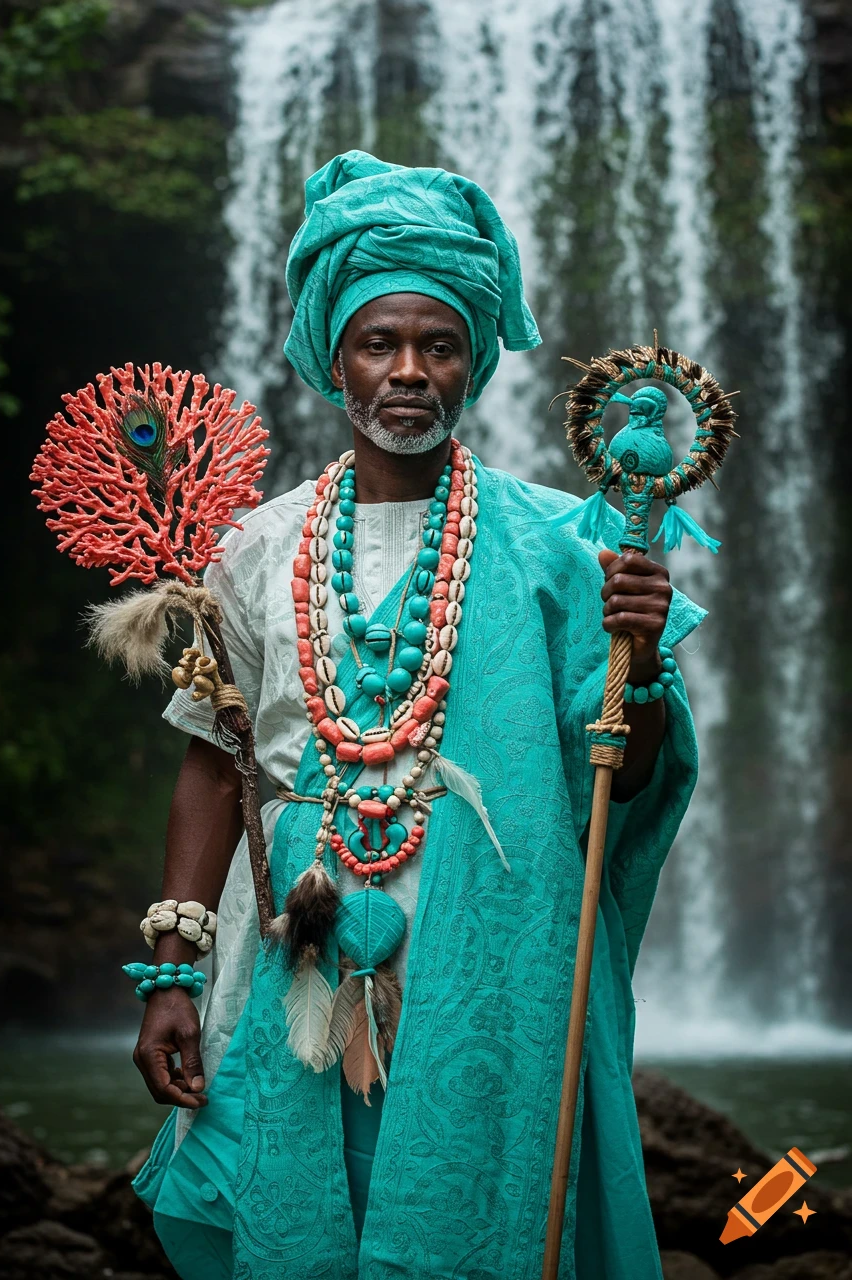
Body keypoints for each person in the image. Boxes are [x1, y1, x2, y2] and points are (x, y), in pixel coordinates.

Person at [130, 150, 703, 1280]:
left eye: (436, 345)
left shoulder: (561, 545)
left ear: (470, 364)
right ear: (332, 360)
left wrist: (637, 664)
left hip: (483, 952)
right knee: (291, 1210)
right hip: (288, 940)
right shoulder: (256, 546)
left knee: (468, 1212)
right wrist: (169, 971)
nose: (407, 371)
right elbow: (212, 766)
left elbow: (620, 774)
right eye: (377, 343)